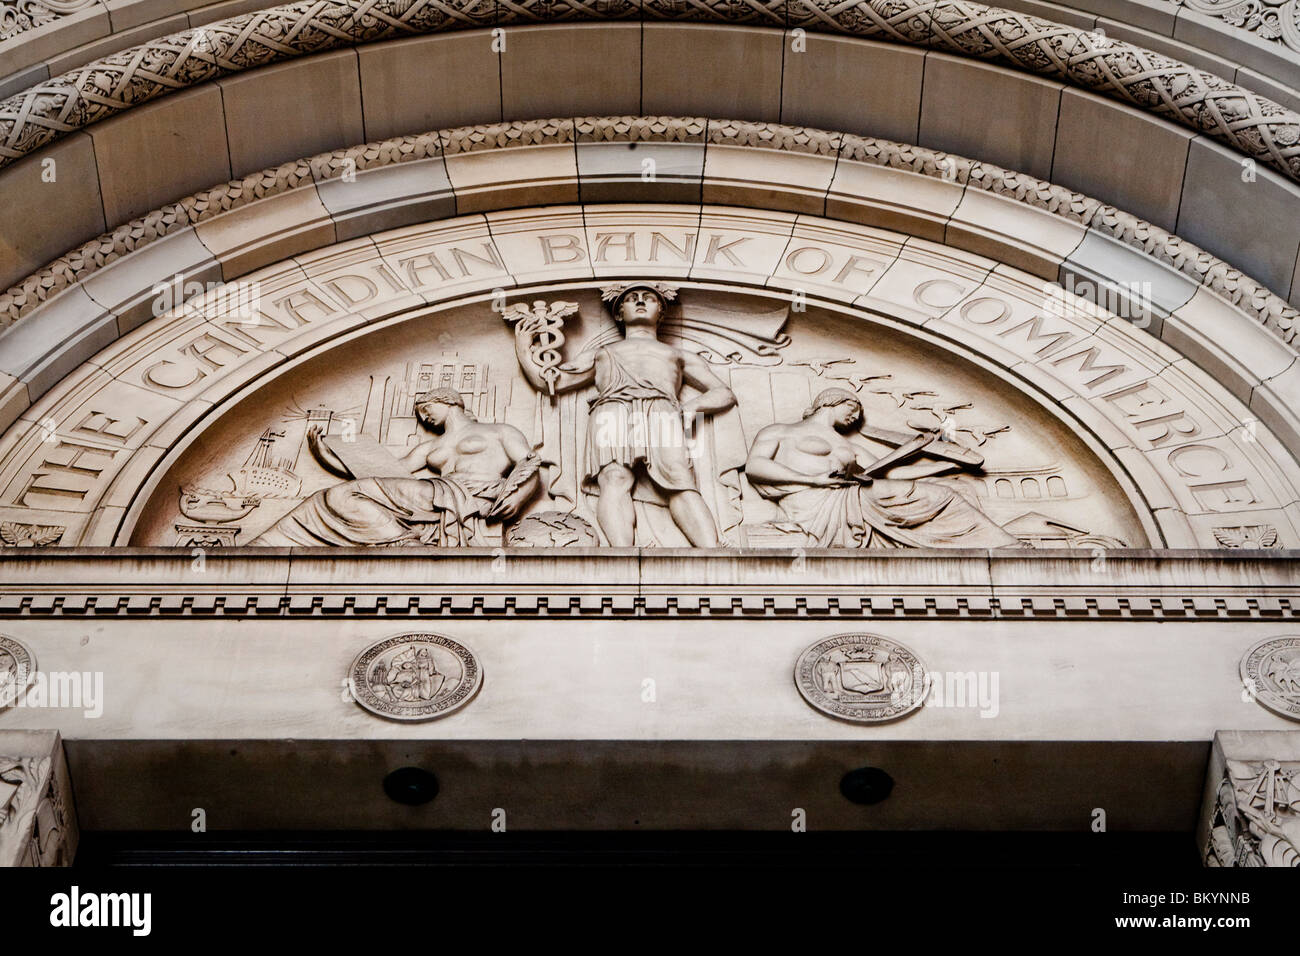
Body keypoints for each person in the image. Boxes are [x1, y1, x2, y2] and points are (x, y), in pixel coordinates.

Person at [509, 284, 736, 546]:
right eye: (631, 299)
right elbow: (552, 383)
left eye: (648, 298)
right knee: (614, 477)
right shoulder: (601, 354)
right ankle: (622, 554)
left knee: (678, 477)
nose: (640, 301)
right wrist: (524, 350)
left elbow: (723, 393)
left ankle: (712, 549)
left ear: (660, 311)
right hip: (612, 409)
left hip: (661, 411)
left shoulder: (677, 355)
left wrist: (691, 408)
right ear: (619, 313)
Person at [254, 389, 541, 546]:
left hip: (477, 492)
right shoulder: (430, 448)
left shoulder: (498, 430)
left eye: (428, 409)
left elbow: (529, 463)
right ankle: (266, 546)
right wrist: (324, 455)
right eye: (421, 414)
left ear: (449, 401)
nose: (425, 417)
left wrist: (518, 496)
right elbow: (383, 471)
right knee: (333, 497)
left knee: (348, 494)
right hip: (439, 492)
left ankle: (401, 542)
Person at [744, 387, 1024, 549]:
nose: (855, 416)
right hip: (813, 500)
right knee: (945, 497)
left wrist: (942, 465)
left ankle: (996, 546)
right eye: (852, 407)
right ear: (831, 401)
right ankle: (1005, 548)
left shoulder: (845, 444)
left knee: (951, 489)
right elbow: (756, 466)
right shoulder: (781, 430)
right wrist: (813, 480)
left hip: (852, 495)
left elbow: (889, 472)